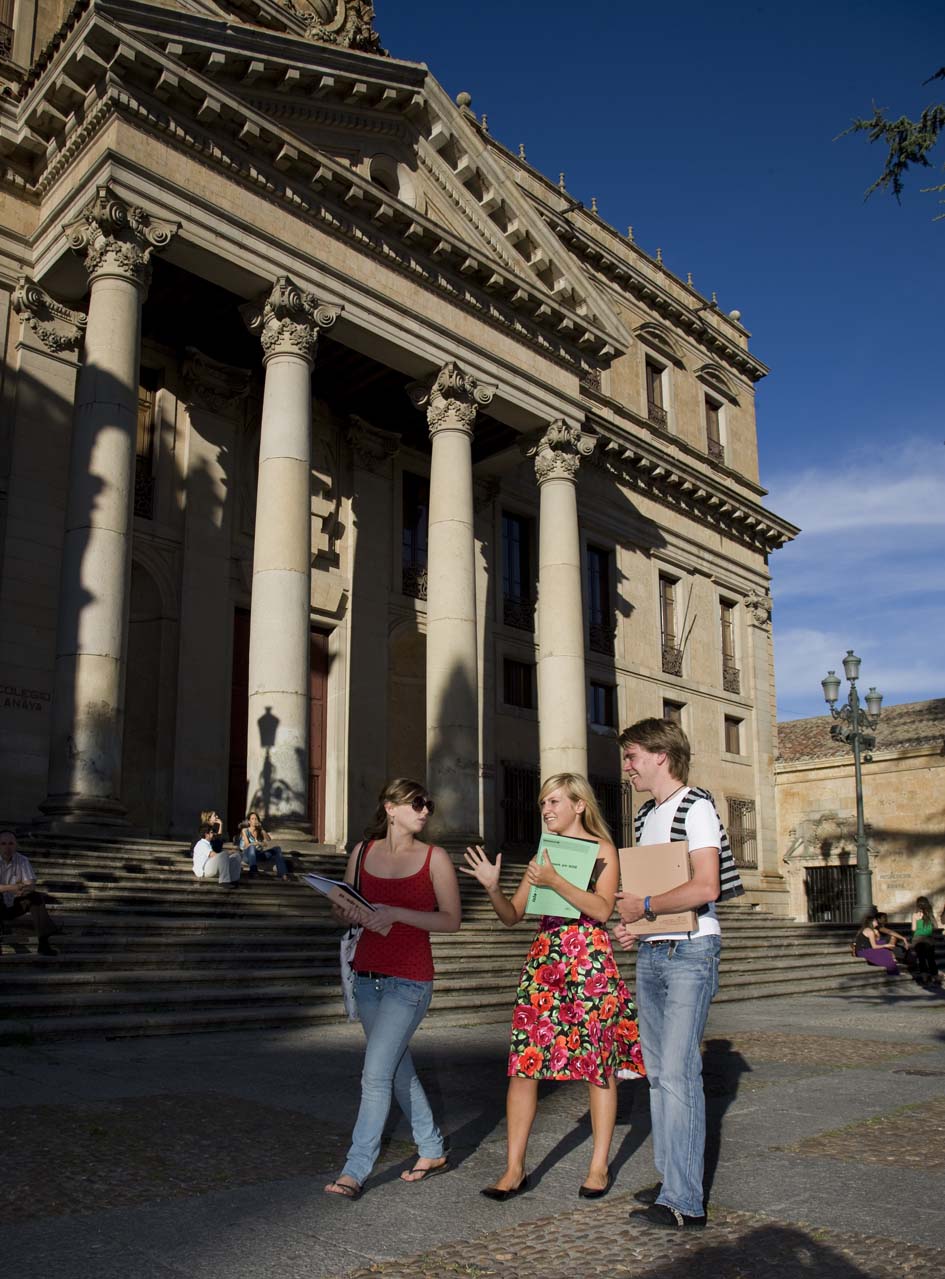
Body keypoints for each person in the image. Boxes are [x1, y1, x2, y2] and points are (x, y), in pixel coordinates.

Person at [461, 773, 645, 1202]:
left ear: (579, 805)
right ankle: (513, 1169)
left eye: (555, 802)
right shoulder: (544, 851)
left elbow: (600, 910)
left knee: (597, 1065)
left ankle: (598, 1166)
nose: (546, 810)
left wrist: (557, 882)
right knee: (524, 1066)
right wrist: (492, 888)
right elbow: (513, 915)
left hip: (589, 962)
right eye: (543, 803)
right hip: (545, 964)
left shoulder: (603, 850)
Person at [614, 718, 738, 1232]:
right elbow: (662, 894)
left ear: (661, 755)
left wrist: (643, 904)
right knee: (660, 1074)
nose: (627, 767)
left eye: (633, 756)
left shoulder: (697, 806)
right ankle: (673, 1183)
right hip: (655, 951)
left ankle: (687, 1201)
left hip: (691, 952)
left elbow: (705, 886)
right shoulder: (646, 817)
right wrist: (638, 927)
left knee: (681, 1075)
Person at [323, 778, 461, 1201]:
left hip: (410, 979)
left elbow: (451, 919)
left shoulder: (435, 859)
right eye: (417, 803)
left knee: (376, 1073)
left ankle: (354, 1169)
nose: (425, 811)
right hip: (367, 978)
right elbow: (339, 908)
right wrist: (343, 906)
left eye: (428, 804)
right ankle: (433, 1147)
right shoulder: (362, 853)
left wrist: (397, 913)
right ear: (390, 808)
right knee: (396, 1068)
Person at [0, 829, 62, 956]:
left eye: (11, 843)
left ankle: (43, 943)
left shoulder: (22, 860)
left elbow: (31, 885)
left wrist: (24, 889)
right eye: (3, 843)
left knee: (36, 897)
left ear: (16, 845)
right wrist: (13, 887)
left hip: (15, 903)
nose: (7, 847)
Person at [238, 811, 289, 878]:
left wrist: (262, 829)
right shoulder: (245, 830)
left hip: (258, 855)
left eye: (256, 819)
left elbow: (268, 840)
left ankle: (283, 874)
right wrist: (259, 843)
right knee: (252, 847)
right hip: (247, 856)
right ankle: (253, 872)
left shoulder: (260, 831)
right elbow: (247, 845)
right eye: (252, 819)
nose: (255, 820)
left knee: (277, 848)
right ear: (249, 821)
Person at [193, 821, 242, 887]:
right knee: (223, 855)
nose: (213, 834)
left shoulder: (209, 843)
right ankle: (224, 881)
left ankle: (234, 880)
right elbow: (213, 855)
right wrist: (227, 854)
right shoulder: (201, 843)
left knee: (236, 856)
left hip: (211, 867)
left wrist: (229, 854)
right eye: (211, 832)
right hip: (204, 869)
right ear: (206, 834)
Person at [874, 912, 918, 976]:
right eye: (884, 917)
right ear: (878, 919)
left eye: (886, 917)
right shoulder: (878, 927)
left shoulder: (884, 927)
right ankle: (890, 954)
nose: (886, 919)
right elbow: (890, 932)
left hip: (889, 944)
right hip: (882, 945)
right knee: (894, 937)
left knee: (908, 948)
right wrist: (903, 938)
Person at [911, 897, 940, 985]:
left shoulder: (915, 915)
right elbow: (936, 927)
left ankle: (925, 979)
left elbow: (913, 928)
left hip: (918, 939)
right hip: (929, 940)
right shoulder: (930, 914)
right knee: (931, 959)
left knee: (921, 959)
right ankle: (936, 978)